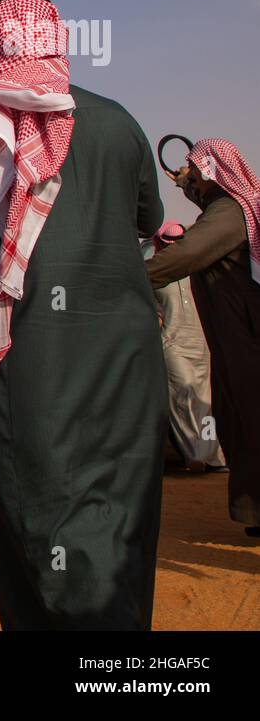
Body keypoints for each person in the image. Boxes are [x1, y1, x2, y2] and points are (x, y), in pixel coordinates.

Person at [0, 0, 165, 630]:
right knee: (122, 515)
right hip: (130, 357)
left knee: (40, 518)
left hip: (31, 358)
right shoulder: (118, 120)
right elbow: (151, 217)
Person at [146, 139, 260, 537]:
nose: (186, 176)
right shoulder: (226, 210)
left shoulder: (229, 212)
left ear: (211, 170)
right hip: (229, 345)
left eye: (192, 170)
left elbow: (185, 255)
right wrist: (187, 185)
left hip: (246, 343)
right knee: (236, 420)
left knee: (250, 419)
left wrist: (125, 279)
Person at [148, 222, 224, 472]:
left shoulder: (197, 269)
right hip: (173, 343)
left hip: (201, 343)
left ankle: (212, 456)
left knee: (204, 399)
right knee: (183, 397)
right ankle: (195, 454)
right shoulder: (154, 272)